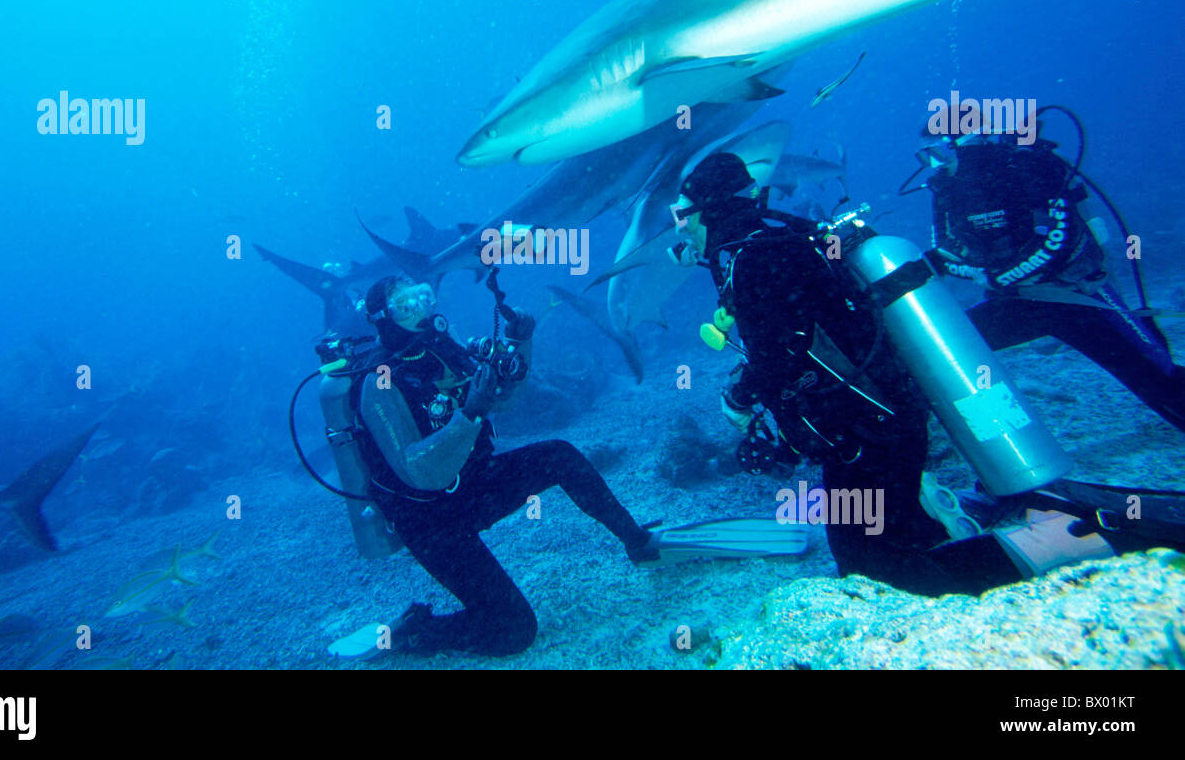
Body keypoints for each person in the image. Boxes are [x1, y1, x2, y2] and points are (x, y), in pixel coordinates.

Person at [669, 152, 1178, 597]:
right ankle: (985, 525)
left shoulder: (756, 259)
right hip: (884, 420)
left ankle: (1086, 536)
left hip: (868, 435)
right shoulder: (780, 241)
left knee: (878, 572)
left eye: (681, 214)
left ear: (707, 209)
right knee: (901, 536)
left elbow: (786, 354)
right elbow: (812, 345)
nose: (678, 228)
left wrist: (738, 398)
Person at [347, 274, 654, 657]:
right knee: (514, 630)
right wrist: (470, 413)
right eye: (406, 307)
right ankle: (418, 631)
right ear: (382, 318)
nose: (422, 312)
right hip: (427, 519)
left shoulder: (441, 346)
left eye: (423, 298)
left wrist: (521, 341)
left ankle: (637, 540)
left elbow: (506, 400)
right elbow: (420, 472)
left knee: (559, 456)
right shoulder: (377, 383)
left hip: (472, 483)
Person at [911, 105, 1185, 433]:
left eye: (939, 151)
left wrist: (997, 276)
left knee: (1157, 377)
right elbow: (945, 248)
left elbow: (1058, 242)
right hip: (1015, 301)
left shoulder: (1030, 167)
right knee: (939, 357)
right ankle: (1001, 452)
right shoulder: (946, 189)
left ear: (967, 143)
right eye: (928, 155)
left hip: (1076, 297)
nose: (936, 165)